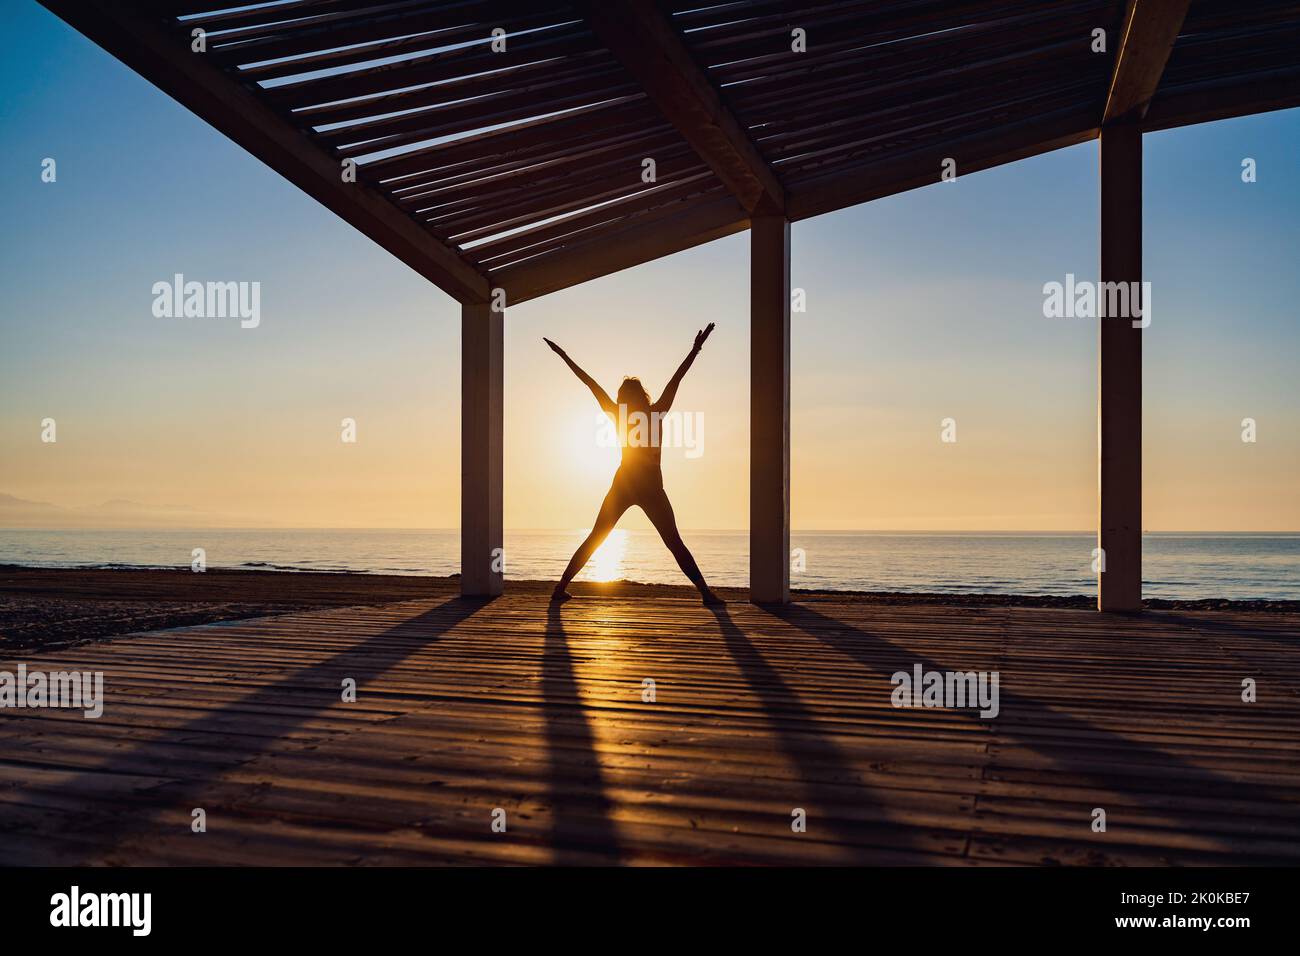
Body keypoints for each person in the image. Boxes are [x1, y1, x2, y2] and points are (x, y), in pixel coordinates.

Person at [544, 324, 722, 605]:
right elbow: (678, 378)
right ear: (643, 395)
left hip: (626, 484)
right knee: (673, 542)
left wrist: (564, 355)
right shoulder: (656, 412)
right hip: (648, 486)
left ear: (624, 398)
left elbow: (590, 384)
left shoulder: (619, 414)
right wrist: (695, 349)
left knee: (598, 536)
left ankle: (560, 587)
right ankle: (705, 593)